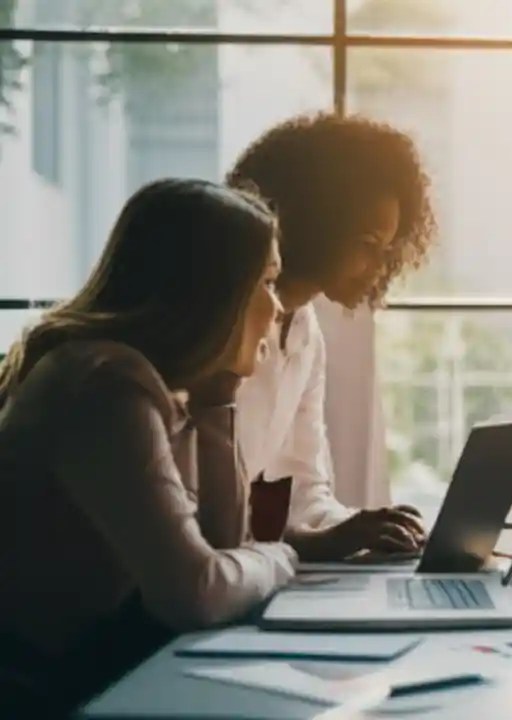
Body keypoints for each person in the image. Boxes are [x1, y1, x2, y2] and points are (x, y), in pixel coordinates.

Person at [0, 179, 296, 711]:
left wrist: (218, 396)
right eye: (268, 282)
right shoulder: (104, 384)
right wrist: (282, 557)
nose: (278, 308)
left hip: (73, 673)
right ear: (213, 292)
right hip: (36, 691)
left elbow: (221, 551)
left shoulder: (142, 384)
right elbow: (198, 593)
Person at [226, 113, 437, 561]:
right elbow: (199, 520)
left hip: (244, 569)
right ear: (315, 220)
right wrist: (317, 542)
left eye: (387, 247)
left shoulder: (304, 331)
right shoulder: (217, 327)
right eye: (366, 242)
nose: (380, 265)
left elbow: (305, 493)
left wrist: (365, 529)